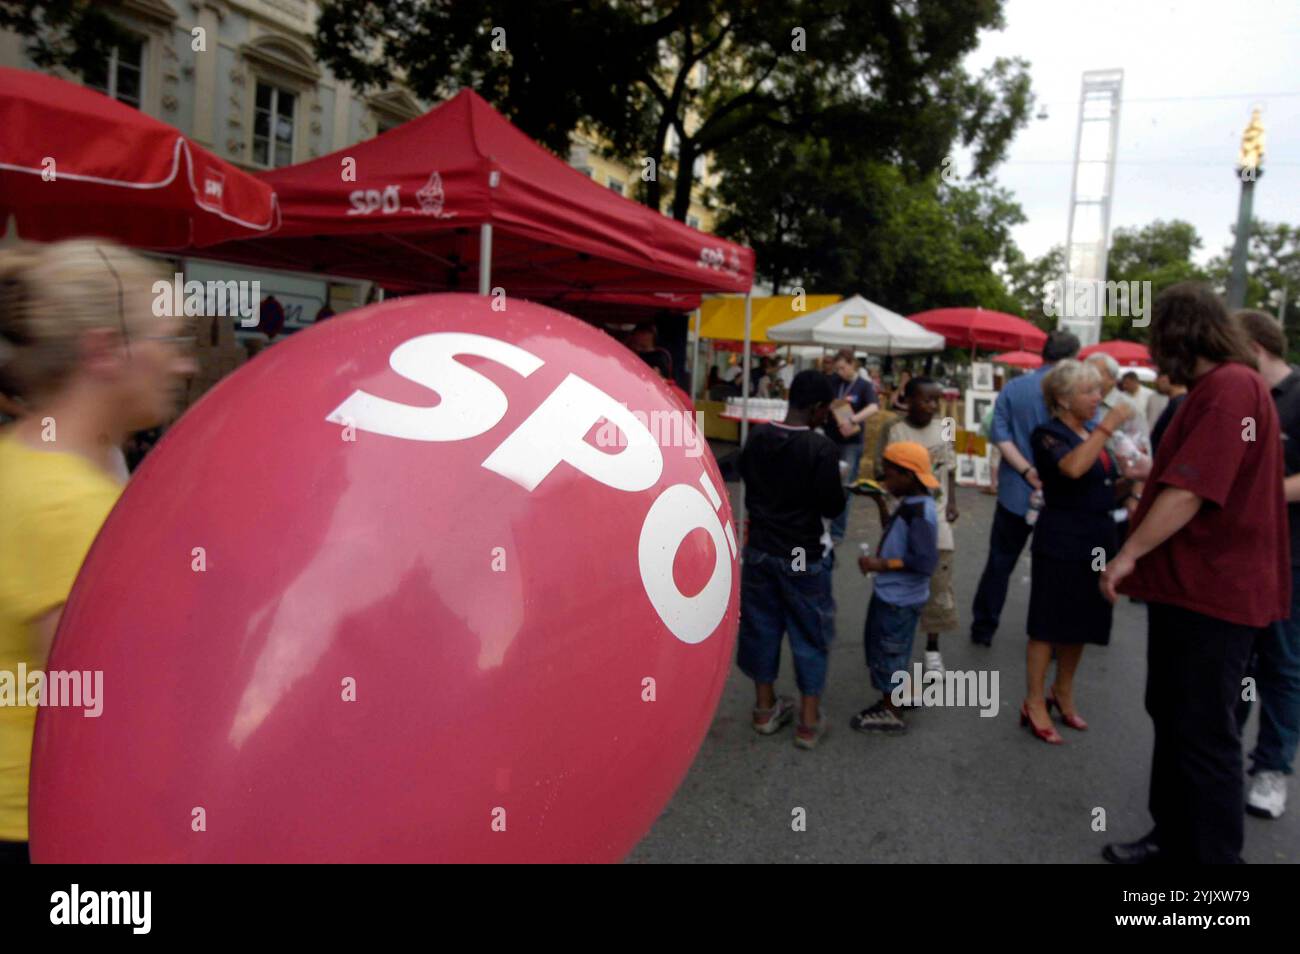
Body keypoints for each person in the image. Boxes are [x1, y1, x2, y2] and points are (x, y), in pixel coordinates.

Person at [0, 240, 196, 864]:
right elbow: (105, 723)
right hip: (47, 834)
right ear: (105, 351)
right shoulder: (74, 511)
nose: (182, 365)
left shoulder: (23, 463)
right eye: (168, 340)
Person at [1101, 283, 1289, 865]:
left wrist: (1128, 552)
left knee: (1205, 732)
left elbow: (1192, 490)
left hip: (1214, 590)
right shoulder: (1226, 388)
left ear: (1177, 332)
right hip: (1194, 589)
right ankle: (1173, 838)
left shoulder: (1231, 386)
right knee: (1178, 717)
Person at [1022, 360, 1134, 744]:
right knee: (1048, 621)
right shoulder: (1048, 434)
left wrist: (1131, 480)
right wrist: (1107, 427)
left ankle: (1063, 690)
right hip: (1062, 536)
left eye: (1098, 391)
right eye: (1089, 392)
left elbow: (1099, 485)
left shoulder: (1090, 432)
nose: (1098, 399)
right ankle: (1034, 700)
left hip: (1098, 535)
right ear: (1065, 399)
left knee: (1084, 618)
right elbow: (1071, 470)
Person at [736, 370, 846, 750]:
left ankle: (765, 710)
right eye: (826, 410)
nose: (827, 417)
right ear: (816, 408)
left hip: (761, 549)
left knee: (761, 627)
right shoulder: (821, 450)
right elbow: (832, 504)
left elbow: (743, 474)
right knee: (809, 633)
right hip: (802, 553)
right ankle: (808, 721)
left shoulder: (759, 436)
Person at [970, 330, 1080, 646]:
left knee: (999, 563)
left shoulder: (1015, 388)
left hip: (1015, 490)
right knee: (1055, 570)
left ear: (1043, 353)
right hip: (1061, 495)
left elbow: (998, 433)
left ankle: (983, 628)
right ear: (1071, 358)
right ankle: (1051, 636)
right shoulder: (1076, 393)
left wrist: (1026, 470)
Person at [1234, 309, 1300, 819]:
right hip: (1239, 555)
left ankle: (1272, 769)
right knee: (1235, 659)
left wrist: (1260, 496)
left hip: (1290, 559)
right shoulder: (1242, 398)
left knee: (1281, 663)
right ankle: (1223, 752)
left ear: (1255, 347)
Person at [849, 442, 940, 733]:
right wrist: (878, 501)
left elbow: (924, 561)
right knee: (893, 647)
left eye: (889, 473)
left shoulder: (919, 512)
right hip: (897, 595)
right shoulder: (913, 503)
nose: (884, 478)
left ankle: (891, 710)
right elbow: (894, 528)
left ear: (908, 475)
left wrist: (880, 565)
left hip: (898, 598)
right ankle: (902, 694)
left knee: (888, 650)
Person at [875, 377, 958, 674]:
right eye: (925, 400)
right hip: (903, 515)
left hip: (936, 516)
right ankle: (898, 649)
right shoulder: (894, 429)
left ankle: (933, 649)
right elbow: (882, 473)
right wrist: (883, 506)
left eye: (936, 400)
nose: (932, 406)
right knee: (902, 582)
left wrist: (952, 502)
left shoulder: (945, 425)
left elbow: (950, 467)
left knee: (938, 584)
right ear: (907, 400)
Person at [824, 348, 880, 543]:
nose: (840, 372)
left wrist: (853, 420)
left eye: (842, 368)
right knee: (826, 481)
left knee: (844, 487)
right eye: (837, 368)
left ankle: (837, 531)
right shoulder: (833, 381)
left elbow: (874, 407)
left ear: (852, 364)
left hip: (851, 442)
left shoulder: (863, 386)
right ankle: (823, 525)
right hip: (832, 437)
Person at [1148, 377, 1188, 455]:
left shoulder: (1178, 404)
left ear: (1167, 377)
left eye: (1159, 376)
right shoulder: (1177, 402)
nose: (1155, 381)